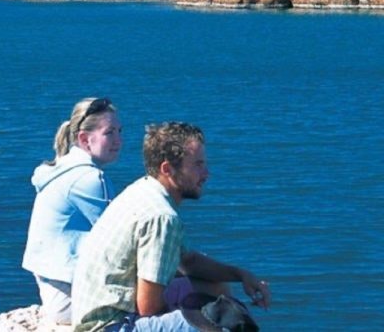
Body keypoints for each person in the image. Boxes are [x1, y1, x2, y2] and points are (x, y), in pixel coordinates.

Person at [71, 122, 271, 332]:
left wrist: (241, 275)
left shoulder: (144, 189)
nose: (206, 173)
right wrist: (196, 315)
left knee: (217, 290)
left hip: (97, 312)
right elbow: (148, 307)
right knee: (224, 321)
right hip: (109, 326)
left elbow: (189, 261)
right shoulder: (162, 217)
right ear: (167, 169)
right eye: (198, 165)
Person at [22, 97, 123, 325]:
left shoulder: (62, 168)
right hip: (71, 300)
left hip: (55, 289)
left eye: (119, 131)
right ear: (85, 139)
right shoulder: (89, 179)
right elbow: (122, 238)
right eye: (109, 133)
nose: (119, 140)